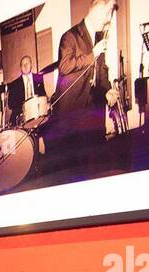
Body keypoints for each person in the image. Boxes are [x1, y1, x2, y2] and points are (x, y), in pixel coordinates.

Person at [49, 0, 120, 172]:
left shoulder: (98, 37)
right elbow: (65, 66)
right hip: (71, 111)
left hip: (93, 107)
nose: (109, 18)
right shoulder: (70, 36)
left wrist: (108, 89)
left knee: (95, 162)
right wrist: (93, 53)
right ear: (97, 7)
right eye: (109, 11)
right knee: (73, 167)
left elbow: (101, 69)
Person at [6, 55, 47, 125]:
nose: (25, 66)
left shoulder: (38, 78)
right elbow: (10, 104)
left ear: (31, 64)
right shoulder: (14, 84)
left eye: (27, 63)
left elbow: (43, 95)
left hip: (37, 114)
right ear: (20, 68)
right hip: (22, 117)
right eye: (23, 64)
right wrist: (24, 107)